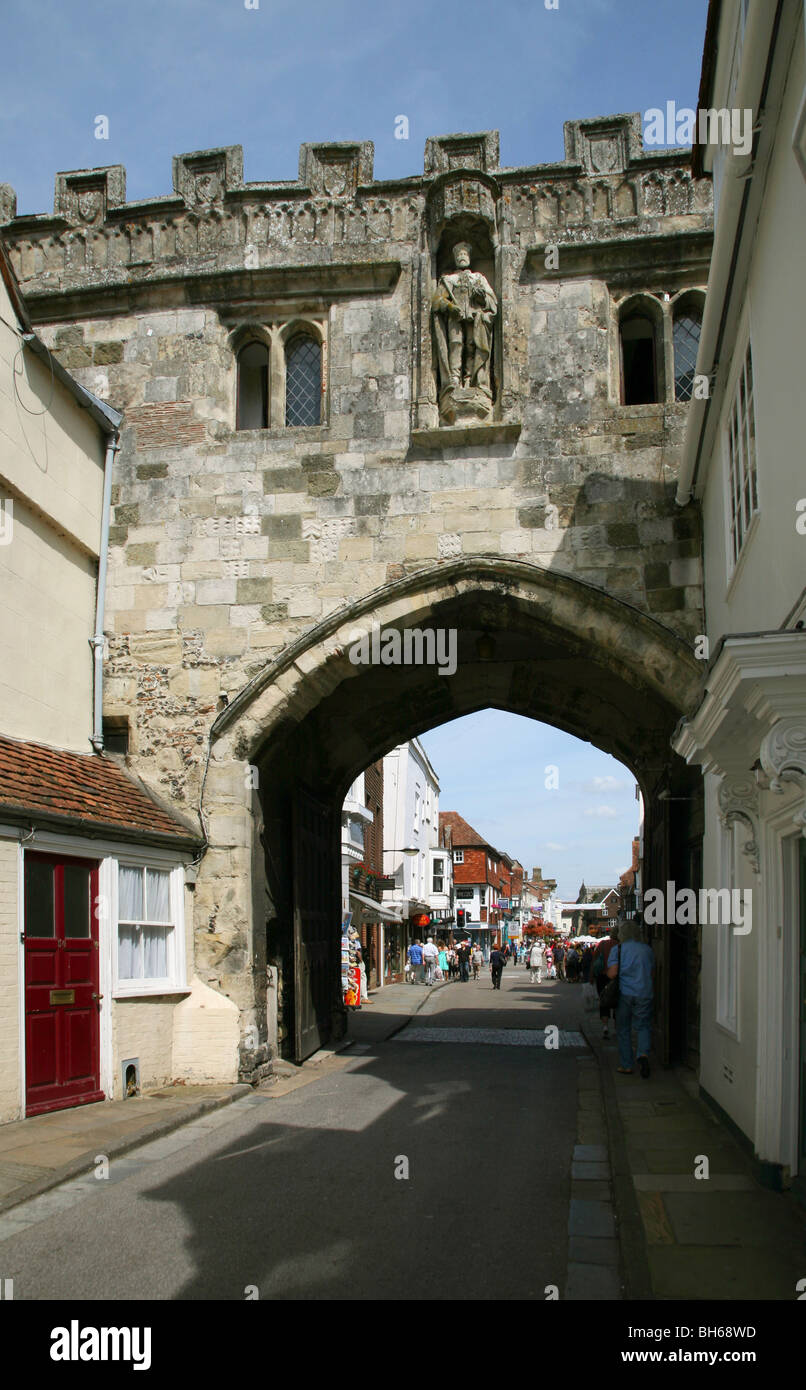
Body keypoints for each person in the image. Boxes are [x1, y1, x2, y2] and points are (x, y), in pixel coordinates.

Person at [606, 916, 654, 1077]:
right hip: (644, 992)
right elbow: (652, 971)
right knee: (643, 1026)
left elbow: (612, 973)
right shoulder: (647, 949)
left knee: (623, 1029)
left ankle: (627, 1064)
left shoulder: (618, 949)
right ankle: (643, 1054)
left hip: (625, 993)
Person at [593, 925, 619, 1038]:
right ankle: (617, 1027)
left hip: (602, 977)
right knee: (618, 1002)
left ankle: (605, 1026)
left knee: (604, 1001)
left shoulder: (603, 944)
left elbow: (594, 959)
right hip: (617, 977)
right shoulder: (621, 945)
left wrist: (590, 976)